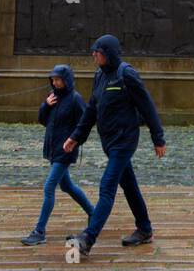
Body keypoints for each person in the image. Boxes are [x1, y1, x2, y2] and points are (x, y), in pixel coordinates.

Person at [63, 34, 166, 256]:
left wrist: (158, 138)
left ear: (108, 54)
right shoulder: (99, 75)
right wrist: (75, 137)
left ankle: (87, 239)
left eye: (97, 52)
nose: (93, 55)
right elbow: (91, 110)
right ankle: (145, 229)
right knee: (129, 185)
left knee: (107, 187)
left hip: (125, 141)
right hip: (109, 142)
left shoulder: (127, 75)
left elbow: (147, 107)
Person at [21, 64, 93, 245]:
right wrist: (45, 105)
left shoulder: (76, 99)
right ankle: (94, 214)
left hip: (65, 151)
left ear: (66, 80)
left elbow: (85, 124)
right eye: (53, 79)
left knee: (49, 187)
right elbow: (43, 120)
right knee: (67, 186)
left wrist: (74, 141)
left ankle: (39, 231)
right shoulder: (53, 97)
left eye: (58, 79)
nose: (54, 82)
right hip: (53, 149)